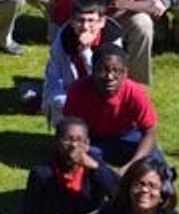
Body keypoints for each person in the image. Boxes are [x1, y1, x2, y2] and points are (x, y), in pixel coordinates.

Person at [5, 117, 119, 214]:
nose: (73, 146)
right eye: (67, 140)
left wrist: (96, 168)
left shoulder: (95, 167)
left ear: (87, 144)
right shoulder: (43, 175)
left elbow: (121, 194)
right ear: (56, 142)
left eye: (79, 140)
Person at [51, 0, 155, 84]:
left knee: (143, 23)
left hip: (114, 20)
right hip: (85, 24)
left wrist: (125, 5)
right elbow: (58, 19)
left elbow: (150, 4)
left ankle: (135, 84)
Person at [62, 44, 161, 174]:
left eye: (116, 71)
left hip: (128, 137)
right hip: (93, 140)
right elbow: (68, 128)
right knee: (76, 161)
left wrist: (133, 164)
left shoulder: (135, 92)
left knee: (154, 160)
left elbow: (150, 132)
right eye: (103, 70)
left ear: (125, 73)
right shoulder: (78, 91)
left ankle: (162, 189)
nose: (110, 77)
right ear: (93, 70)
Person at [42, 0, 123, 127]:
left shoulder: (112, 41)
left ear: (101, 21)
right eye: (80, 20)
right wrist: (59, 101)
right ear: (72, 21)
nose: (85, 27)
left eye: (91, 20)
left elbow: (106, 79)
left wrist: (86, 52)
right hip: (72, 92)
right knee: (57, 102)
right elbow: (53, 76)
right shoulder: (63, 38)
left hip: (104, 95)